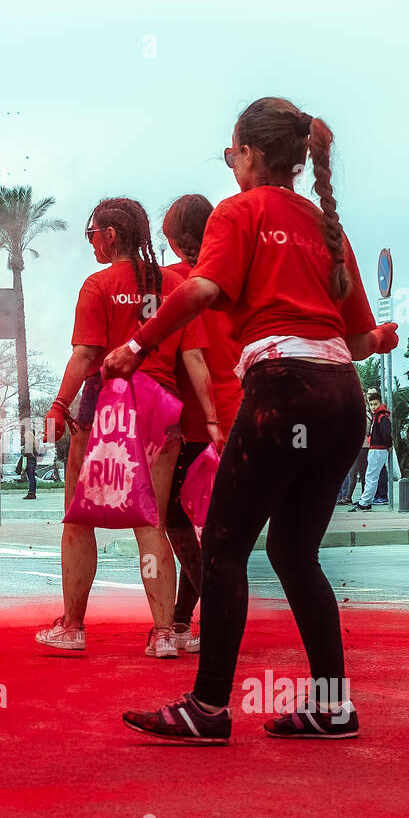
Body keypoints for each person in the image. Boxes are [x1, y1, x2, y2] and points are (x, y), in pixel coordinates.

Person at [103, 98, 398, 741]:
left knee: (225, 549)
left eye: (232, 151)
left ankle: (208, 709)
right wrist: (381, 340)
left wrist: (137, 344)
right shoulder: (326, 224)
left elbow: (205, 289)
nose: (231, 162)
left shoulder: (238, 211)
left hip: (281, 389)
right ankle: (332, 706)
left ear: (254, 155)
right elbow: (355, 340)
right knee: (296, 552)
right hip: (342, 398)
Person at [36, 197, 219, 658]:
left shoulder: (98, 284)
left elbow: (85, 355)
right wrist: (213, 421)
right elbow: (195, 359)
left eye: (92, 234)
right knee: (151, 521)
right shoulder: (177, 284)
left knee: (79, 519)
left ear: (111, 235)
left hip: (106, 406)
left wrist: (59, 405)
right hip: (161, 411)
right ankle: (164, 633)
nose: (92, 243)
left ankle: (73, 627)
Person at [161, 194, 243, 653]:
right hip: (237, 416)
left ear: (171, 239)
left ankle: (218, 609)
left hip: (191, 423)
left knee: (175, 518)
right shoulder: (232, 280)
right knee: (210, 527)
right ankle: (180, 620)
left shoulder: (173, 281)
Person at [351, 391, 393, 512]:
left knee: (371, 476)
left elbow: (386, 433)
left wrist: (388, 445)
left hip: (378, 450)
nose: (373, 407)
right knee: (371, 476)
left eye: (375, 404)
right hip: (376, 449)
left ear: (380, 403)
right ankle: (366, 501)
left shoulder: (381, 416)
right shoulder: (379, 416)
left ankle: (365, 502)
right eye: (371, 404)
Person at [335, 390, 375, 504]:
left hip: (364, 446)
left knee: (362, 472)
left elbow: (366, 430)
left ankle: (362, 497)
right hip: (356, 446)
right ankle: (349, 497)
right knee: (353, 472)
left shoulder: (367, 414)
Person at [21, 419, 38, 499]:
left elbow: (25, 453)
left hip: (30, 462)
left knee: (31, 478)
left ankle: (31, 493)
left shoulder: (29, 444)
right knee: (32, 478)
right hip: (33, 461)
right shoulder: (35, 444)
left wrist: (23, 450)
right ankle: (32, 493)